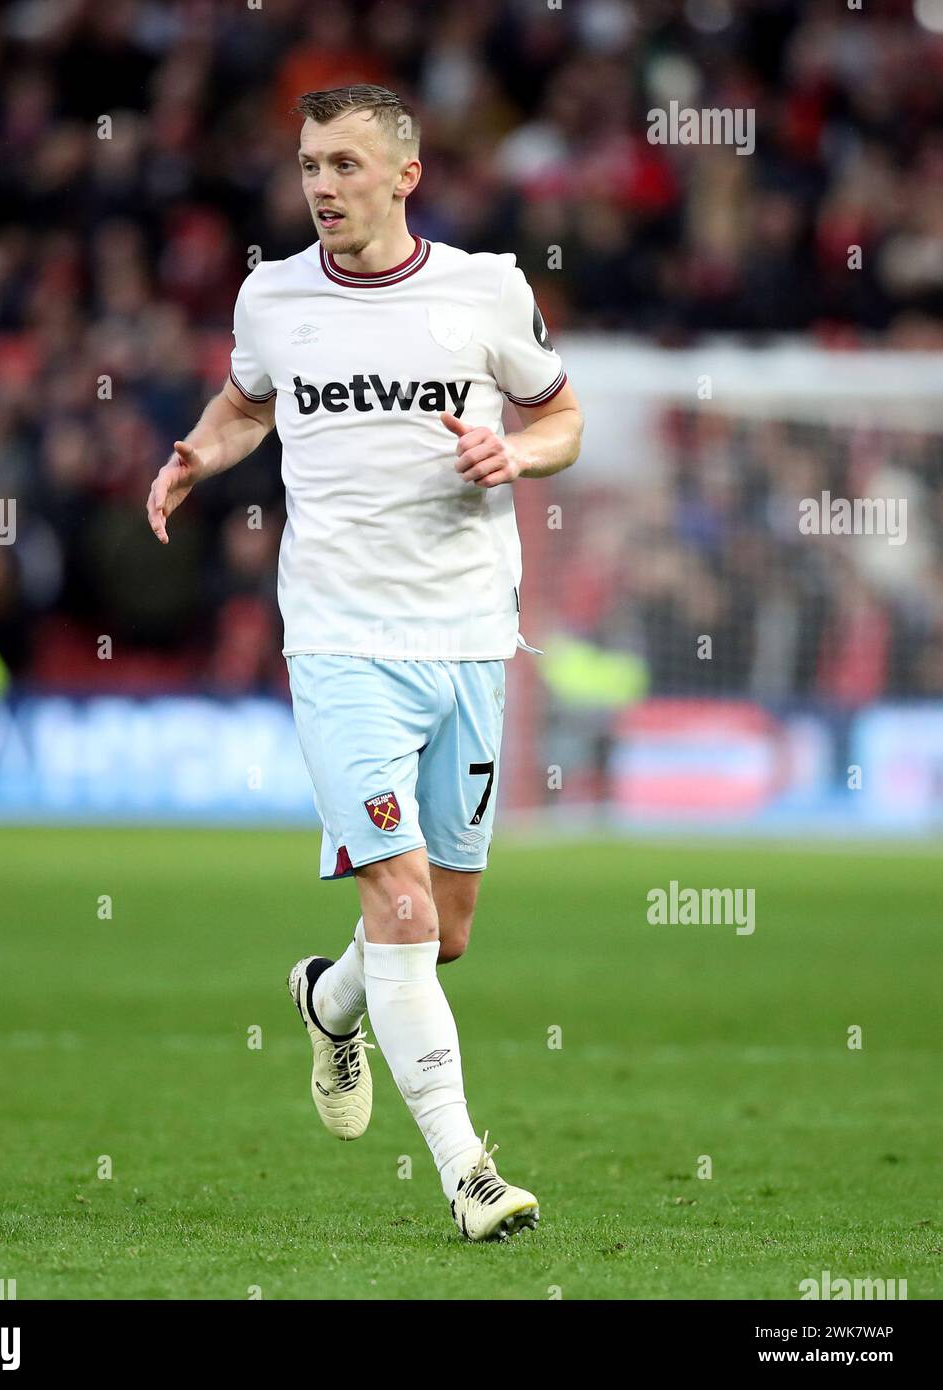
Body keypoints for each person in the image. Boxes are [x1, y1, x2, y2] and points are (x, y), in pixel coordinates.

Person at [146, 84, 582, 1241]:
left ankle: (327, 1001)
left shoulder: (486, 290)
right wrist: (196, 452)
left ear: (406, 174)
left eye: (345, 164)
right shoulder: (274, 294)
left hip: (468, 638)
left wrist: (516, 450)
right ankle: (469, 1173)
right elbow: (249, 404)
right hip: (339, 641)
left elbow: (564, 420)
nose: (322, 187)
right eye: (307, 166)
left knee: (444, 928)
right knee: (394, 897)